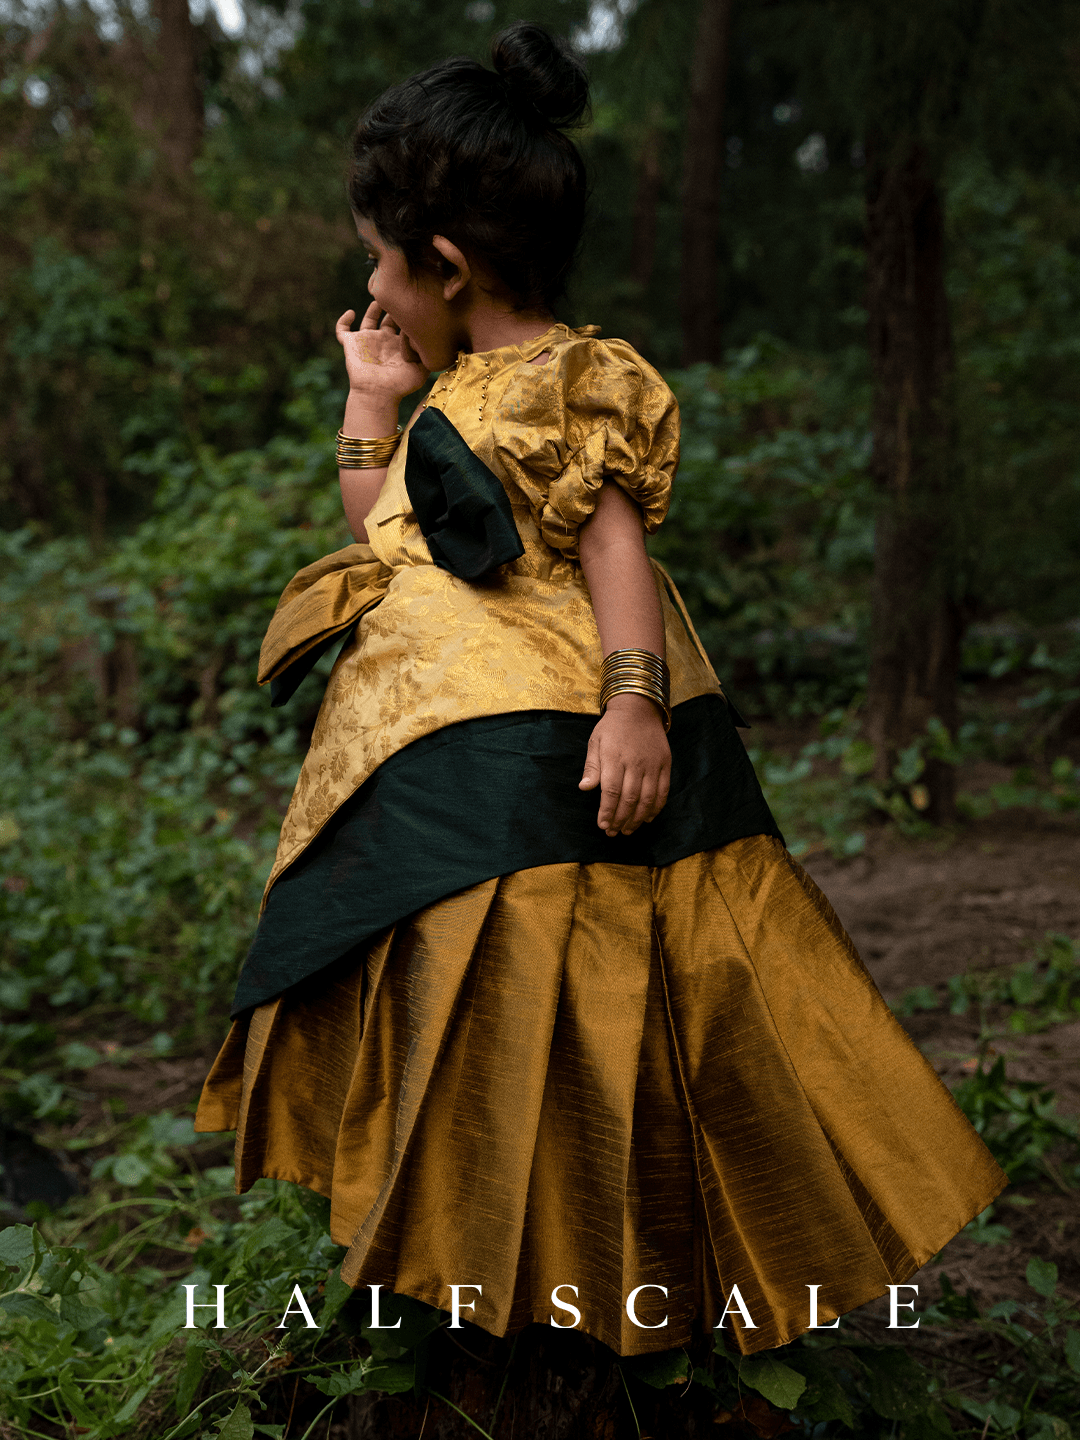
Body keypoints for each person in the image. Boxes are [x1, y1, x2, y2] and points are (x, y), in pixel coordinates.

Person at [195, 22, 1005, 1358]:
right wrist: (370, 400)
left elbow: (619, 545)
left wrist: (634, 702)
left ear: (446, 264)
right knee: (448, 962)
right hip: (443, 743)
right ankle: (471, 1255)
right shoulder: (451, 390)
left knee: (576, 967)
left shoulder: (567, 386)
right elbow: (383, 528)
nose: (371, 284)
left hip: (560, 744)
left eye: (381, 260)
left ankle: (613, 1274)